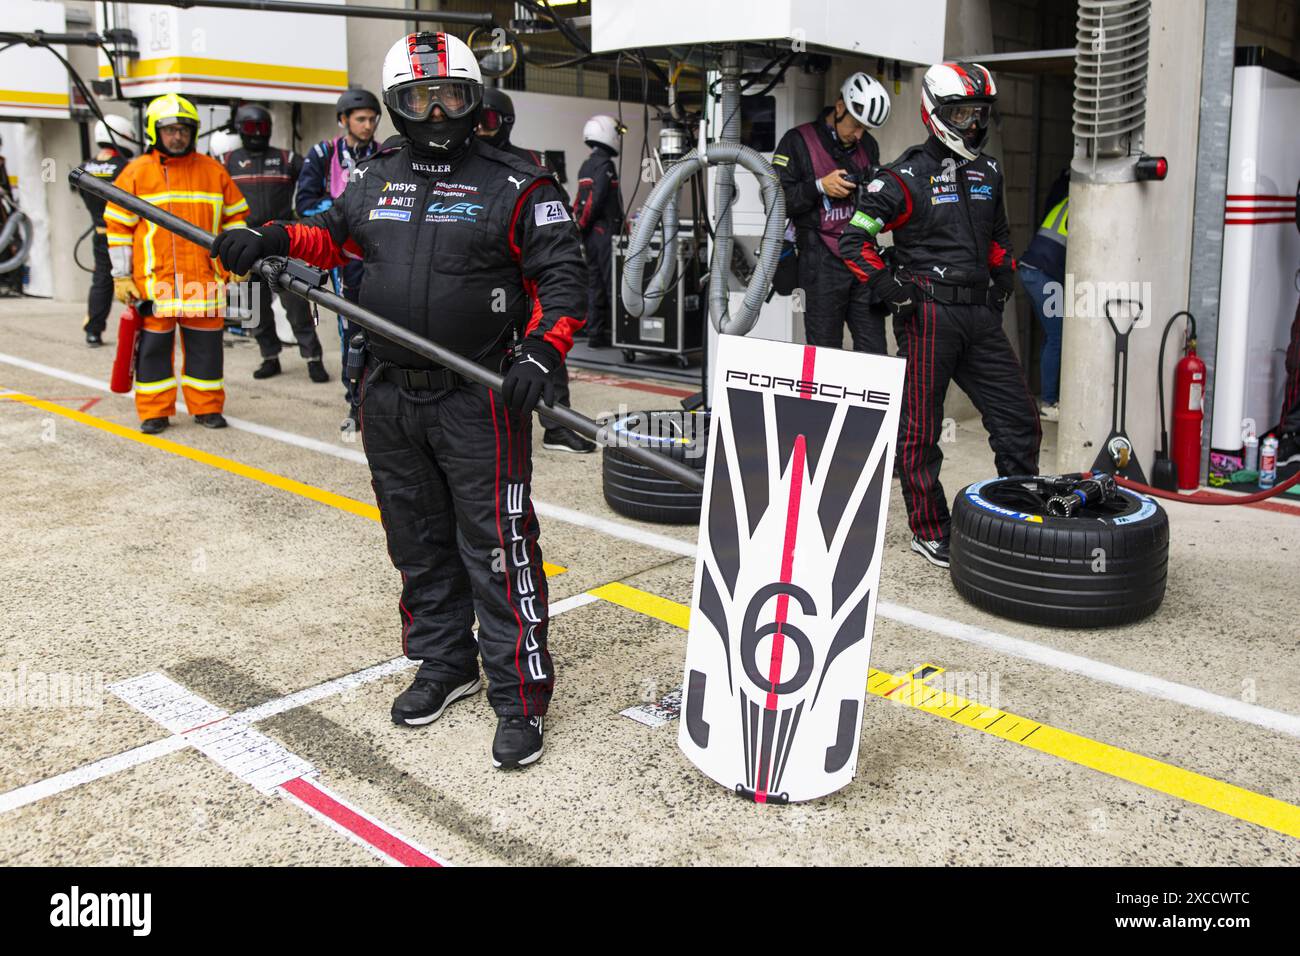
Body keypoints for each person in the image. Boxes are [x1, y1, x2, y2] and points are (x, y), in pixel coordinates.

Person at [212, 32, 587, 769]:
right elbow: (327, 235)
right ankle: (445, 666)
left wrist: (544, 350)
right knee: (416, 541)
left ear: (473, 96)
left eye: (450, 93)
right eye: (419, 97)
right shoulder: (377, 176)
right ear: (396, 106)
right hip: (387, 392)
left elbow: (564, 279)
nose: (437, 108)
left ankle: (519, 698)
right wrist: (266, 236)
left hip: (477, 396)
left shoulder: (517, 183)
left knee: (498, 550)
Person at [838, 61, 1041, 568]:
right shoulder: (902, 176)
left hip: (979, 316)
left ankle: (1012, 514)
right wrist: (895, 293)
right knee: (920, 432)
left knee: (1019, 422)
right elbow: (853, 240)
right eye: (962, 112)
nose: (972, 122)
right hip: (928, 317)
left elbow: (999, 241)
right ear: (936, 113)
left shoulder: (988, 169)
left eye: (979, 112)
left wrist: (1001, 286)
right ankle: (930, 530)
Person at [105, 93, 249, 435]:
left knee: (207, 353)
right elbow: (117, 227)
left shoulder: (214, 172)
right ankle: (154, 412)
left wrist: (239, 262)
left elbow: (235, 223)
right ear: (155, 132)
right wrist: (121, 276)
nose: (178, 136)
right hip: (155, 287)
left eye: (184, 129)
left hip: (205, 285)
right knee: (153, 353)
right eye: (169, 129)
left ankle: (207, 407)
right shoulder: (136, 173)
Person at [476, 87, 595, 454]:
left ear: (505, 122)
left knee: (544, 344)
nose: (480, 128)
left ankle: (556, 425)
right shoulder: (461, 163)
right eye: (475, 120)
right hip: (479, 273)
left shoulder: (532, 162)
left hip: (527, 273)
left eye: (488, 121)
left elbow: (556, 217)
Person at [773, 72, 892, 353]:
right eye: (855, 125)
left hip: (862, 258)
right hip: (819, 262)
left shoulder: (867, 145)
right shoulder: (797, 141)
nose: (859, 135)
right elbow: (776, 203)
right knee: (825, 353)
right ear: (839, 107)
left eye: (866, 129)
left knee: (875, 351)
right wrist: (819, 187)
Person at [221, 104, 327, 383]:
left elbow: (315, 183)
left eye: (262, 128)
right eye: (250, 128)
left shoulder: (287, 158)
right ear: (239, 130)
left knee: (297, 305)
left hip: (282, 244)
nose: (257, 134)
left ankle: (313, 358)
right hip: (245, 248)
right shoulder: (225, 161)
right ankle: (269, 356)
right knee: (255, 309)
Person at [297, 87, 381, 421]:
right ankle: (355, 401)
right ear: (343, 120)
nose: (368, 125)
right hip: (346, 256)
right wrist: (349, 212)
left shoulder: (386, 152)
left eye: (373, 119)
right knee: (352, 329)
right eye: (361, 119)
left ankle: (383, 397)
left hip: (380, 250)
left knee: (385, 325)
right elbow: (304, 203)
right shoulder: (322, 153)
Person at [76, 115, 135, 348]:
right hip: (127, 234)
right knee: (135, 280)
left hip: (99, 232)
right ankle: (142, 327)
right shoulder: (127, 168)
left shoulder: (84, 167)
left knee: (101, 281)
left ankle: (93, 331)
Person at [572, 114, 624, 349]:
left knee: (595, 284)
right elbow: (597, 198)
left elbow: (580, 201)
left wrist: (580, 228)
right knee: (613, 283)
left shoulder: (586, 164)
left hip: (590, 234)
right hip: (605, 232)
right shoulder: (605, 165)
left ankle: (596, 333)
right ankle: (620, 333)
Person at [1018, 181, 1068, 422]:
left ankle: (1049, 398)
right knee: (1057, 336)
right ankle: (1048, 402)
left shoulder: (1066, 203)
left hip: (1033, 270)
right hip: (1042, 275)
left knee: (1053, 335)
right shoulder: (1080, 210)